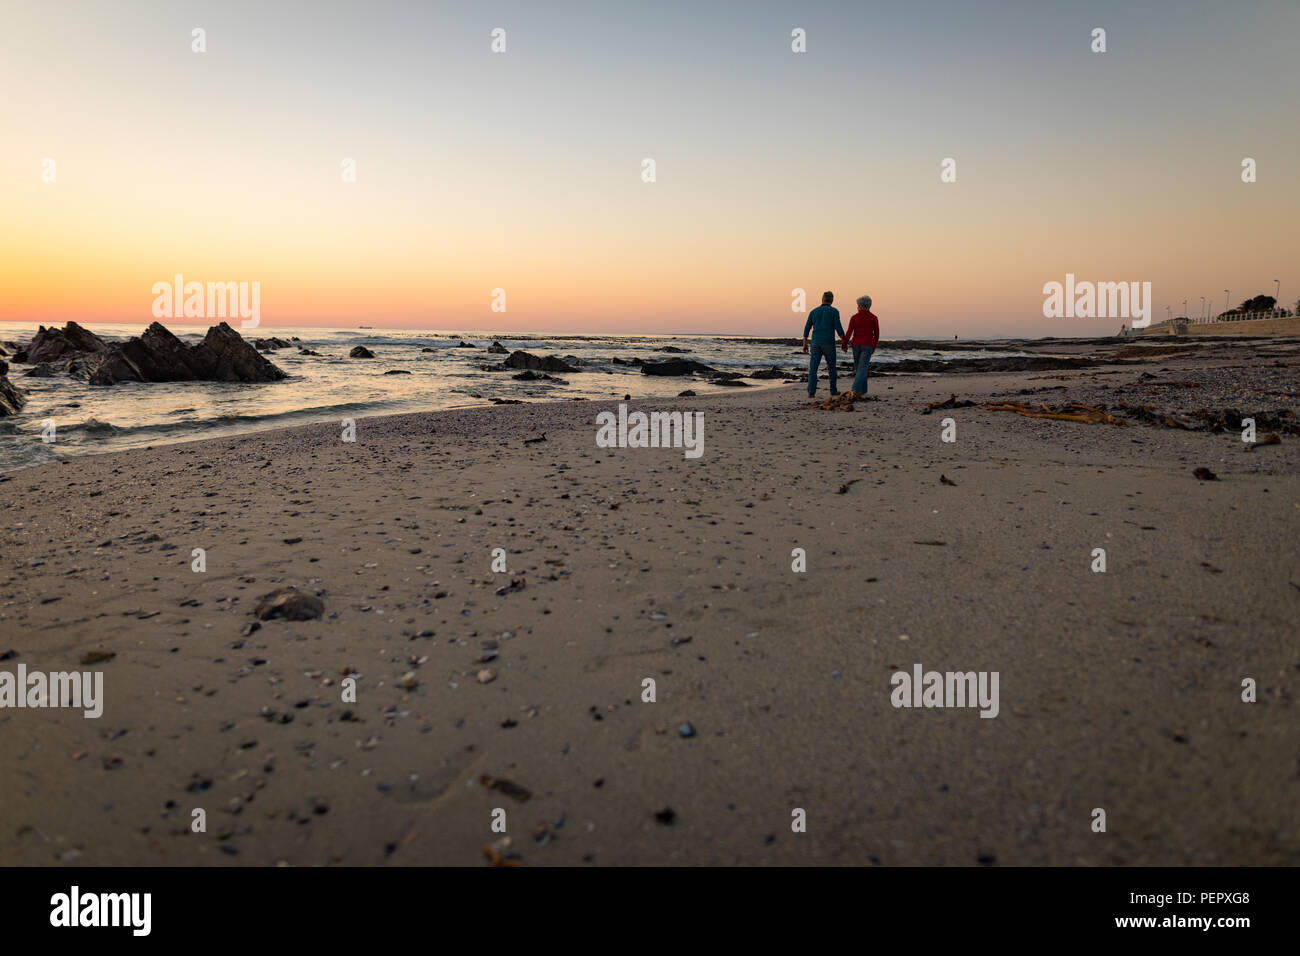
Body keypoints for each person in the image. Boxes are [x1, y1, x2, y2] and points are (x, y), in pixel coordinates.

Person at [802, 291, 844, 397]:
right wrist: (844, 341)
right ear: (832, 300)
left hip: (815, 342)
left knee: (813, 368)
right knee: (831, 367)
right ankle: (833, 390)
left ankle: (811, 392)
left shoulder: (814, 311)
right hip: (829, 342)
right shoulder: (834, 311)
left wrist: (804, 344)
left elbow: (807, 328)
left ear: (822, 299)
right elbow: (838, 328)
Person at [841, 295, 880, 397]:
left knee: (860, 368)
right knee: (861, 369)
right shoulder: (874, 318)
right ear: (869, 305)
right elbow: (877, 334)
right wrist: (874, 347)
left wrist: (844, 344)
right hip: (868, 345)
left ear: (859, 305)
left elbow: (849, 332)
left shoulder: (854, 318)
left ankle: (856, 390)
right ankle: (861, 390)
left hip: (856, 345)